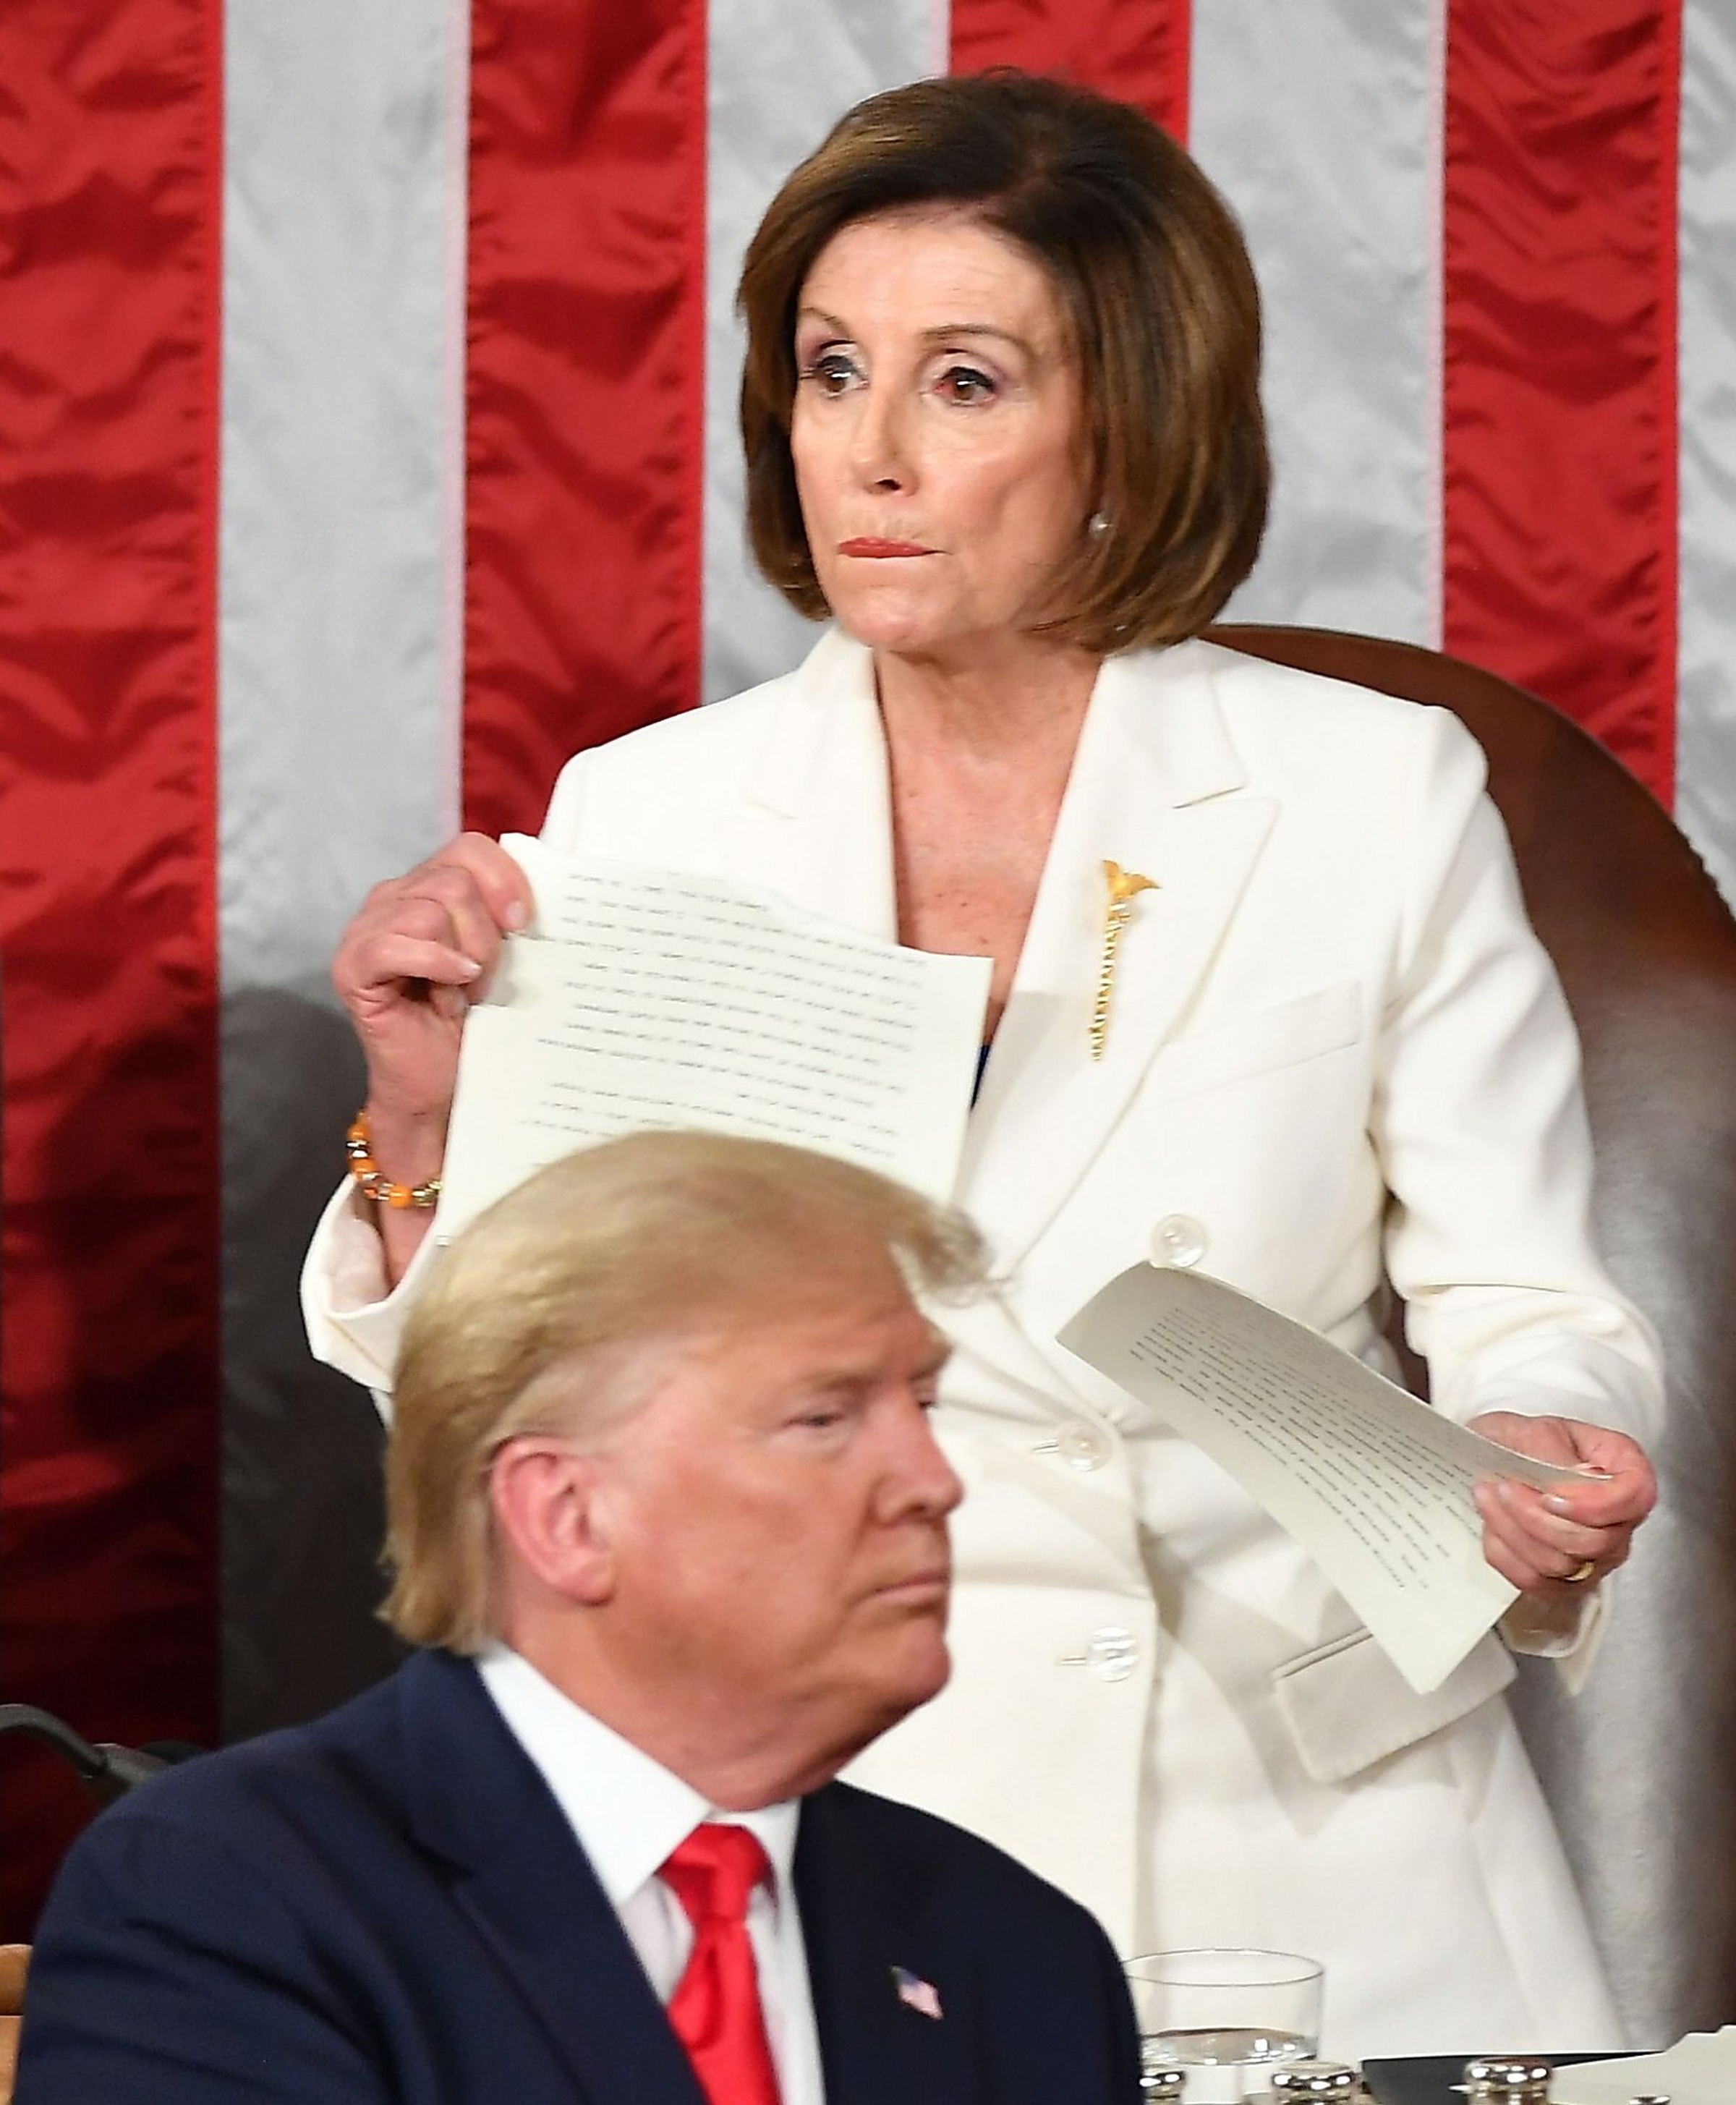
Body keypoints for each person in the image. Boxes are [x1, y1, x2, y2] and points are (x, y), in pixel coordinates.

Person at [302, 72, 1661, 2057]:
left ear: (1125, 421)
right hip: (859, 1817)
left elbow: (1538, 1308)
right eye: (833, 368)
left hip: (1320, 1839)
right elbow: (520, 1409)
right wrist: (421, 1126)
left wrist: (1550, 1443)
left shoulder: (1368, 793)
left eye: (962, 382)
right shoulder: (646, 815)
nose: (871, 452)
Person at [18, 1134, 1143, 2105]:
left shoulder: (1018, 1952)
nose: (932, 1478)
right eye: (824, 1416)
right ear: (566, 1513)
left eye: (926, 1405)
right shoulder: (237, 1898)